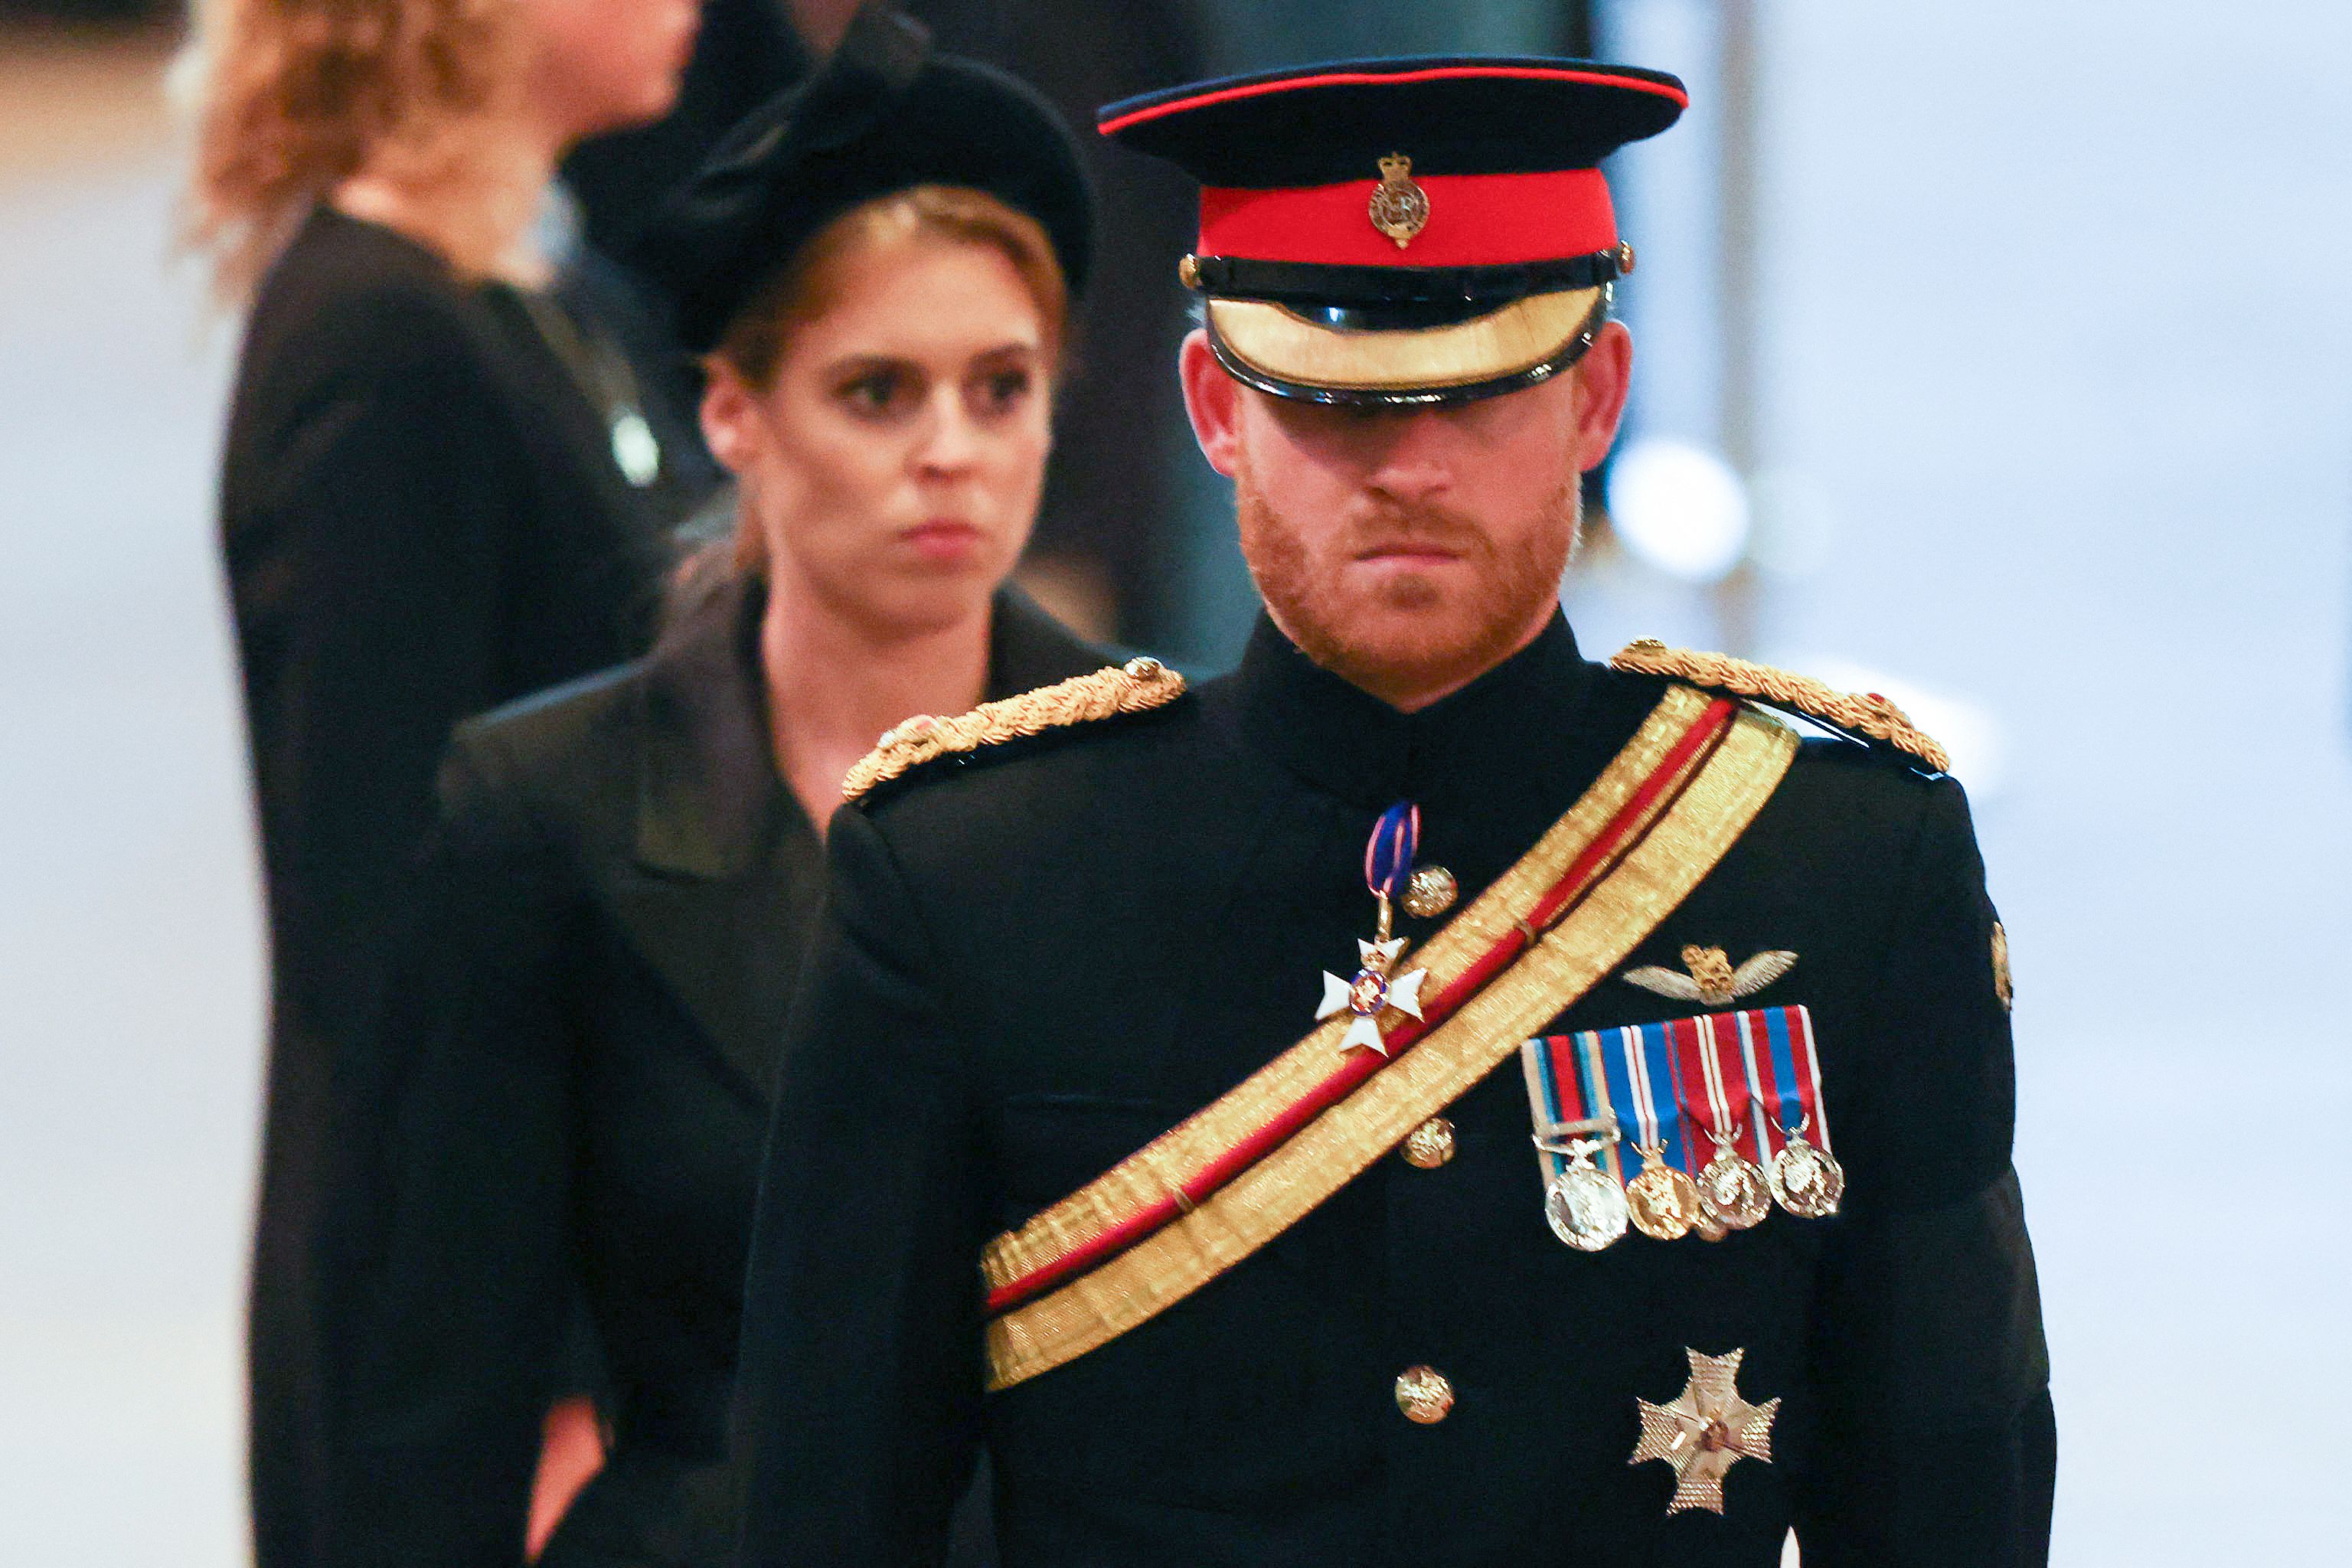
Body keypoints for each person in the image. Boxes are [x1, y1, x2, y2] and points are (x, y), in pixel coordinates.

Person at [733, 53, 2055, 1567]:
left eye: (1487, 398)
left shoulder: (1837, 858)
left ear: (1600, 400)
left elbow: (1954, 1480)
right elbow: (828, 1504)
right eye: (1333, 406)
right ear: (1216, 409)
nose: (1410, 469)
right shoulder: (967, 875)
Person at [332, 12, 1110, 1564]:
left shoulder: (1148, 789)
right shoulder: (545, 812)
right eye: (878, 392)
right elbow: (436, 1390)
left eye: (1001, 387)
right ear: (733, 417)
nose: (950, 451)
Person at [186, 1, 701, 1560]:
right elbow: (392, 925)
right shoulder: (377, 342)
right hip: (459, 1319)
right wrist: (546, 1376)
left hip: (596, 1252)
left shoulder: (559, 292)